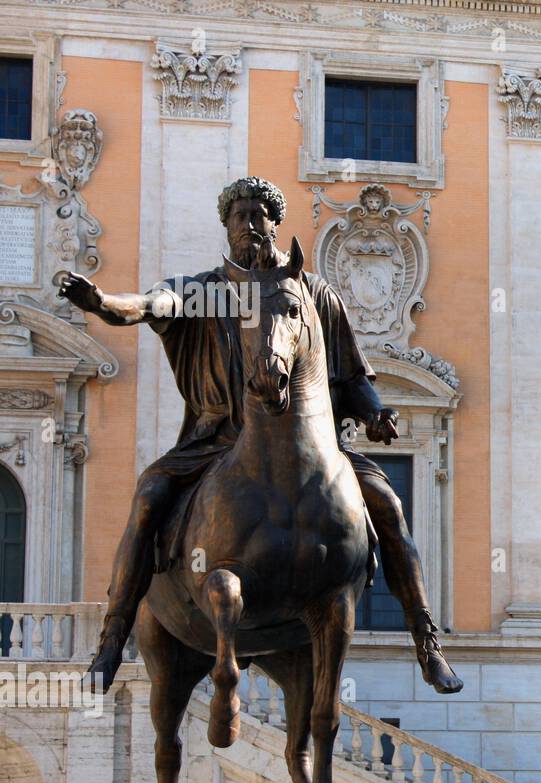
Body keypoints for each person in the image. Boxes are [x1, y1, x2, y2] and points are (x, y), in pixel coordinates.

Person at [59, 176, 462, 694]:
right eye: (239, 216)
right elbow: (149, 305)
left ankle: (426, 641)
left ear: (275, 223)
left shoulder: (315, 293)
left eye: (259, 215)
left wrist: (375, 414)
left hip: (312, 450)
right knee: (148, 498)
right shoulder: (203, 293)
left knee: (388, 505)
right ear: (226, 227)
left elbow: (352, 375)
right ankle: (113, 639)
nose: (250, 225)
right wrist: (102, 304)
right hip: (214, 442)